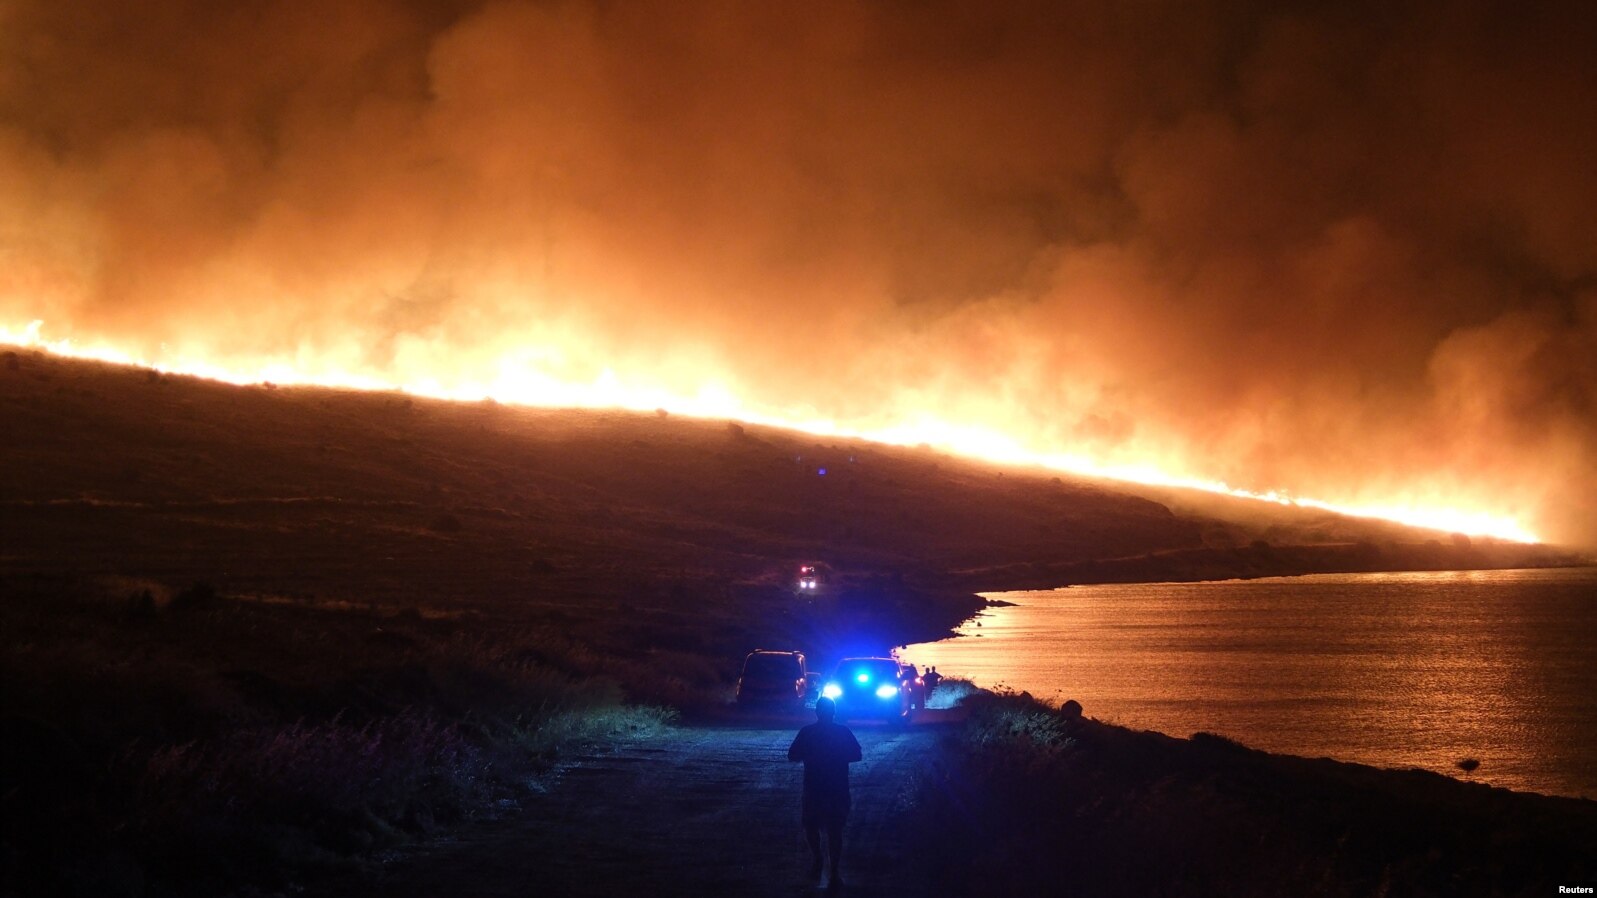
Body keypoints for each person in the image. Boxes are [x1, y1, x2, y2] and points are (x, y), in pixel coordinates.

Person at [788, 696, 862, 888]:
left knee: (811, 826)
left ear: (817, 712)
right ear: (834, 712)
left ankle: (818, 860)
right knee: (835, 830)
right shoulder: (843, 732)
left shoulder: (808, 732)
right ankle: (833, 871)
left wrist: (812, 755)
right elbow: (857, 754)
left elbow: (792, 755)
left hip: (814, 786)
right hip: (837, 787)